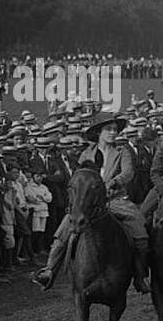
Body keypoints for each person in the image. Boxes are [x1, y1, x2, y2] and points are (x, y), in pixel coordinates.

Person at [35, 112, 151, 293]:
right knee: (64, 232)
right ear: (98, 132)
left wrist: (109, 184)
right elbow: (80, 178)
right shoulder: (86, 154)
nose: (113, 133)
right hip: (90, 203)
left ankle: (139, 276)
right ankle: (49, 271)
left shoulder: (122, 151)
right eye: (108, 129)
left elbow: (128, 174)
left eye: (115, 129)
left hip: (116, 200)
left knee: (140, 234)